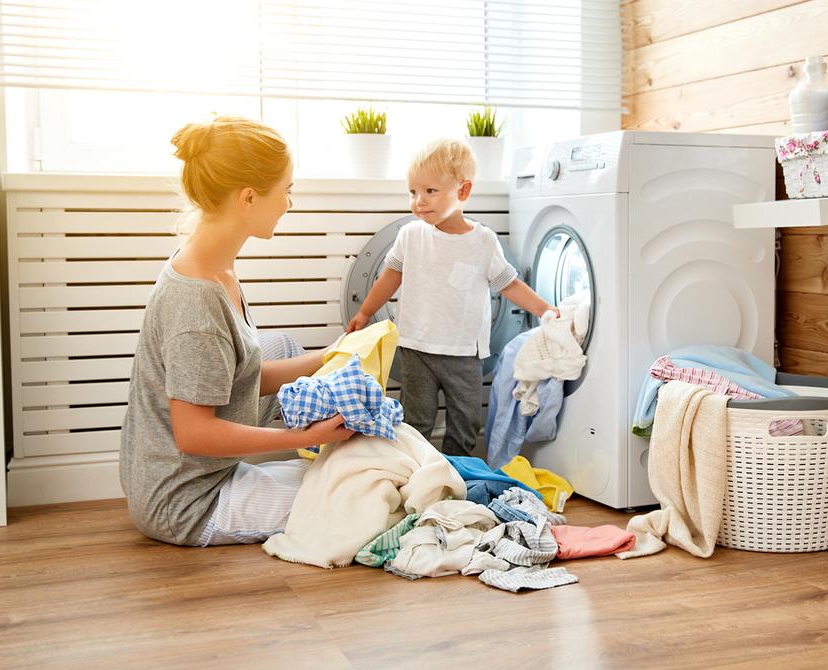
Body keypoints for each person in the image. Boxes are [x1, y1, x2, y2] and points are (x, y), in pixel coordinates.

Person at [119, 116, 353, 547]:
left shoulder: (212, 260)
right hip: (187, 502)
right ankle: (314, 457)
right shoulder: (197, 303)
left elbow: (232, 375)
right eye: (286, 190)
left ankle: (314, 453)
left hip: (173, 471)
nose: (288, 203)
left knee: (281, 347)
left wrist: (332, 354)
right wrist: (301, 438)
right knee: (358, 492)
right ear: (248, 198)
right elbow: (194, 433)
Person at [346, 138, 555, 457]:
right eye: (413, 192)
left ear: (463, 191)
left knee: (465, 422)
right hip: (417, 348)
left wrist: (544, 310)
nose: (419, 201)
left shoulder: (482, 242)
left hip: (463, 353)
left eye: (430, 191)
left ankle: (456, 478)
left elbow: (509, 284)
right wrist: (365, 313)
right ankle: (416, 475)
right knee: (416, 421)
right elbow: (389, 277)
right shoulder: (411, 236)